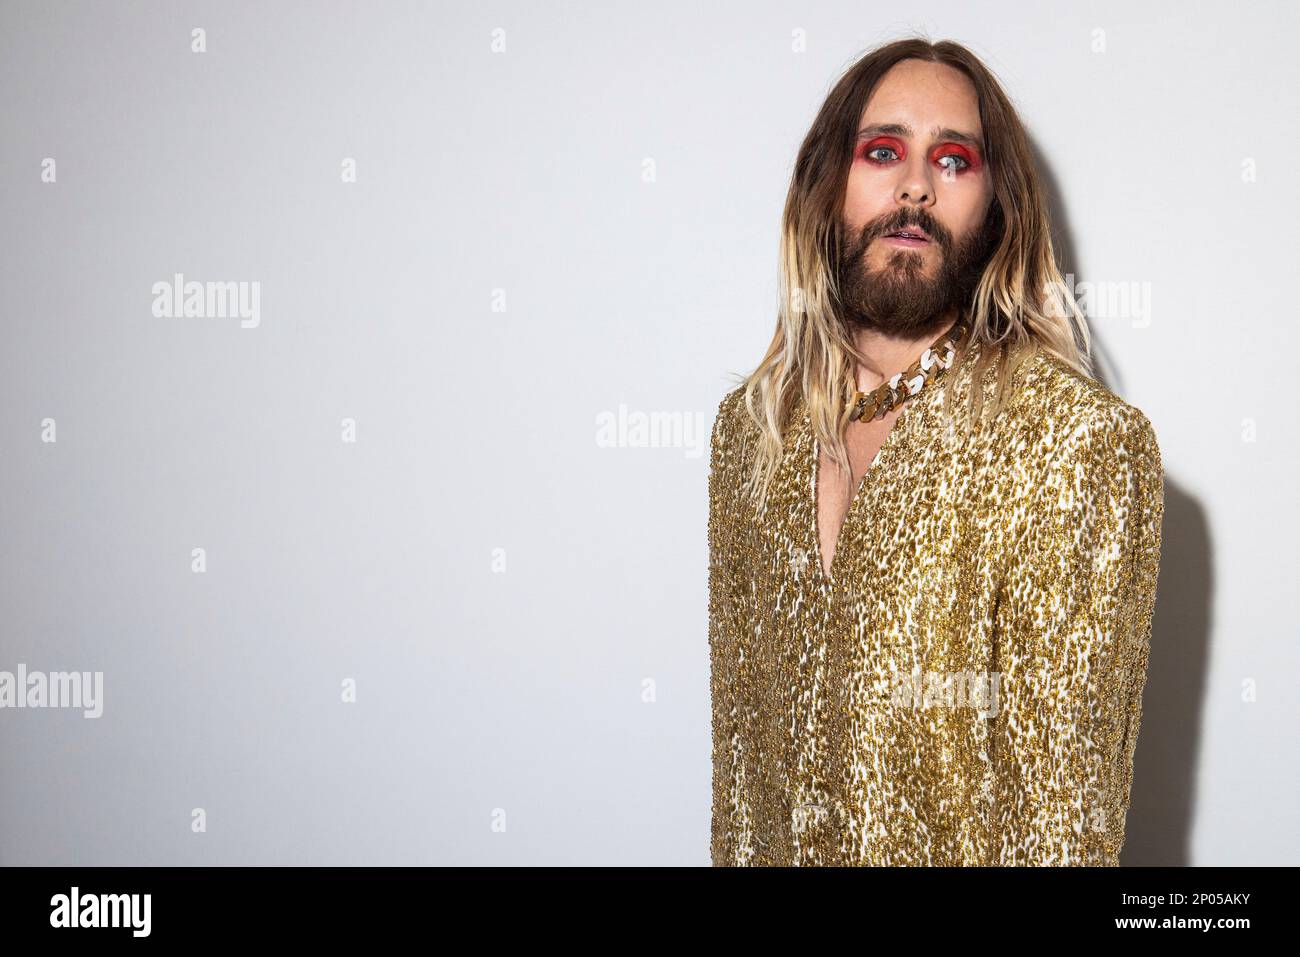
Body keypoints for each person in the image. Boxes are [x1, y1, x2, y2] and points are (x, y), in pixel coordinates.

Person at [707, 36, 1164, 866]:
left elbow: (1063, 834)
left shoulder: (1075, 445)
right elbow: (740, 787)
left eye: (953, 160)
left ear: (997, 208)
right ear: (825, 184)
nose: (915, 184)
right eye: (883, 151)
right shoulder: (749, 434)